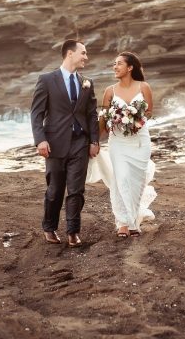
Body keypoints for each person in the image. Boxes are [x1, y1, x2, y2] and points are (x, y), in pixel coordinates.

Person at [31, 39, 100, 247]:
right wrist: (40, 140)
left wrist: (94, 140)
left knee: (76, 190)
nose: (86, 57)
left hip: (80, 142)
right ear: (70, 54)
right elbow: (37, 113)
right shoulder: (46, 80)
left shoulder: (87, 82)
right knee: (55, 190)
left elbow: (91, 114)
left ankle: (73, 231)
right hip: (54, 143)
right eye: (83, 53)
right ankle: (49, 227)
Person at [93, 51, 156, 238]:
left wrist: (135, 119)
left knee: (136, 180)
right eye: (114, 63)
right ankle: (122, 223)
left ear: (130, 67)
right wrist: (94, 140)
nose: (115, 67)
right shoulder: (109, 91)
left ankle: (133, 221)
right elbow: (104, 119)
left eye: (119, 64)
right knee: (121, 179)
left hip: (140, 141)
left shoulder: (144, 87)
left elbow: (150, 112)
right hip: (118, 142)